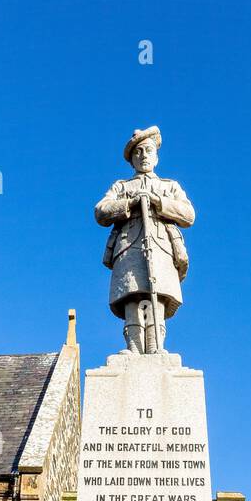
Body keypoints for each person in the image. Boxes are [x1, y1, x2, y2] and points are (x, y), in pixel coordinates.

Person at [95, 126, 195, 353]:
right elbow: (101, 211)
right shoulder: (122, 187)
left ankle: (155, 345)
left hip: (161, 245)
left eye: (148, 150)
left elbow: (188, 215)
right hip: (128, 245)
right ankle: (133, 345)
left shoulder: (169, 186)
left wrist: (158, 202)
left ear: (157, 156)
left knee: (156, 294)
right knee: (132, 293)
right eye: (138, 152)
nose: (143, 156)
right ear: (131, 160)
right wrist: (129, 203)